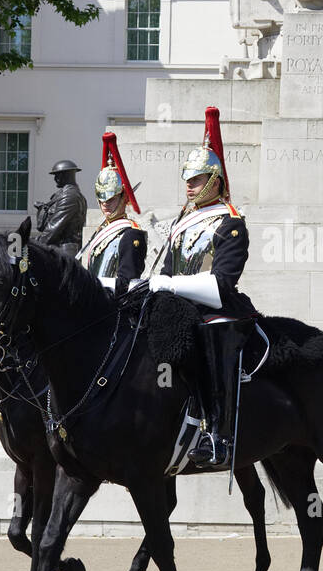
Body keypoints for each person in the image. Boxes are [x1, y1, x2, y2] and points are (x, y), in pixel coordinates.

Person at [150, 107, 257, 468]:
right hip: (177, 306)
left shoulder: (231, 223)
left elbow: (224, 282)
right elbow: (166, 270)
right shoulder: (182, 224)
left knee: (215, 336)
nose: (189, 185)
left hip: (217, 308)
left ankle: (219, 435)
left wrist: (171, 284)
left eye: (196, 179)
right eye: (187, 179)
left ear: (214, 180)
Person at [78, 136, 146, 297]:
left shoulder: (131, 234)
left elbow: (127, 283)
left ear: (124, 198)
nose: (105, 204)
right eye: (102, 199)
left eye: (111, 199)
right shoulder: (102, 230)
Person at [34, 160, 87, 257]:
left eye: (57, 175)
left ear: (66, 175)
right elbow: (44, 226)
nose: (55, 179)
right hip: (57, 248)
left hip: (64, 252)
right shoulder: (61, 194)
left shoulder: (70, 196)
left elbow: (53, 229)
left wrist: (34, 245)